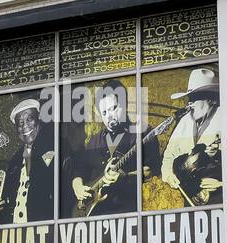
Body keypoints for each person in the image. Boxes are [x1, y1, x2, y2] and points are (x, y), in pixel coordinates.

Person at [68, 80, 162, 216]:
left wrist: (125, 177)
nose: (109, 116)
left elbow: (152, 169)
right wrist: (77, 186)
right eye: (104, 112)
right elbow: (79, 170)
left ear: (124, 105)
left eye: (113, 109)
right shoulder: (94, 141)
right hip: (94, 213)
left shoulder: (143, 132)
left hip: (127, 210)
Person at [0, 98, 54, 224]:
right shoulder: (15, 160)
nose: (25, 126)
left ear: (39, 120)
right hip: (14, 235)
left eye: (29, 119)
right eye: (20, 123)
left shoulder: (54, 147)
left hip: (44, 232)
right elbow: (7, 200)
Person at [162, 68, 223, 205]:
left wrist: (223, 183)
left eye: (194, 98)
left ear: (211, 99)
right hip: (191, 200)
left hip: (222, 199)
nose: (189, 103)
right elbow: (168, 155)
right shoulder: (184, 121)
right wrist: (169, 175)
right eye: (189, 98)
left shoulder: (226, 117)